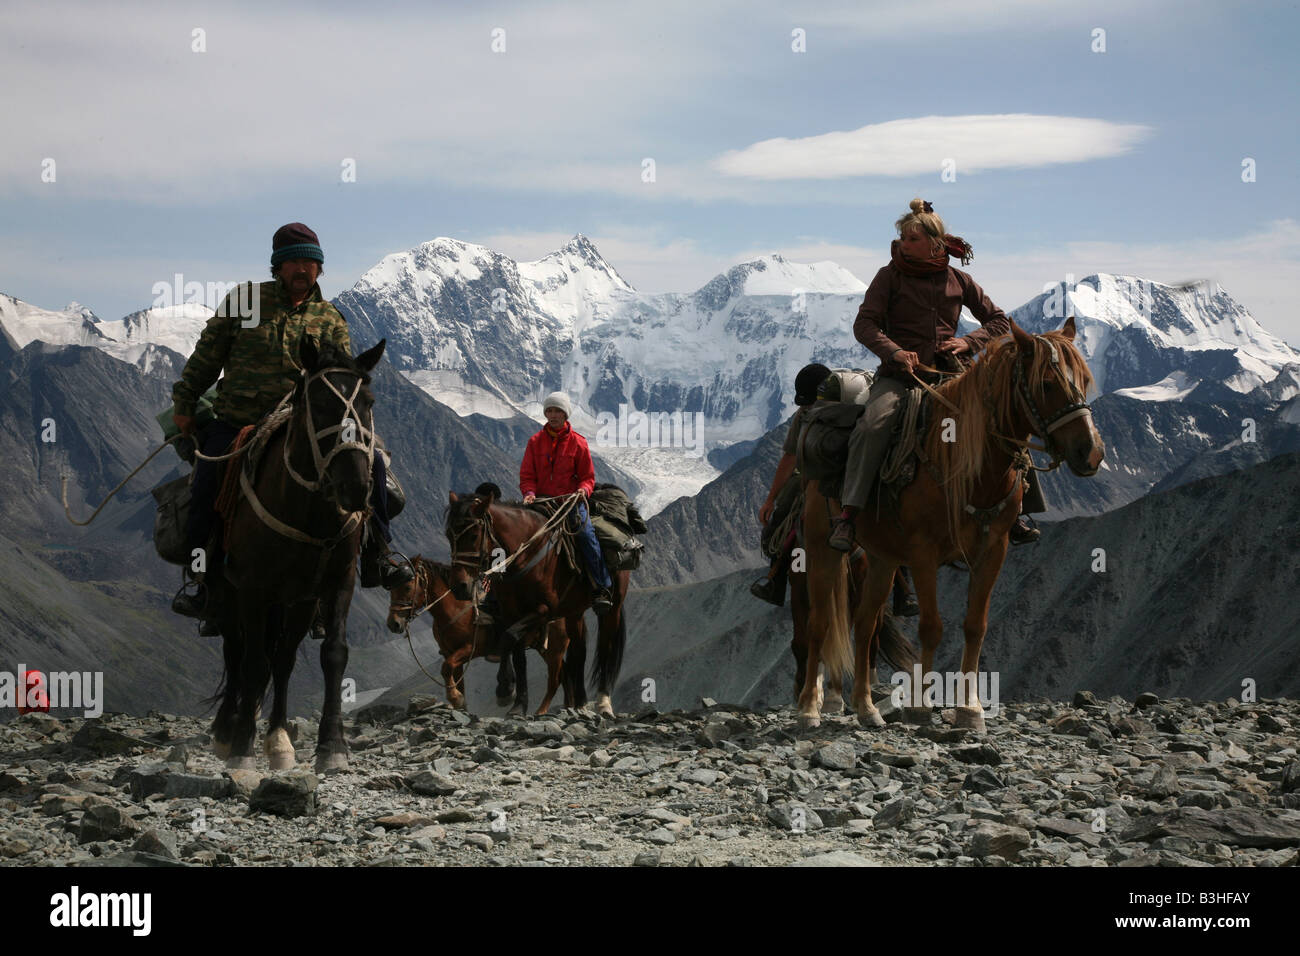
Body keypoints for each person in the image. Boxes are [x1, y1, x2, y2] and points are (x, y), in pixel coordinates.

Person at [170, 222, 413, 634]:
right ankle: (203, 581)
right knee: (205, 487)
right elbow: (206, 357)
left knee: (369, 463)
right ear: (278, 267)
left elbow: (339, 376)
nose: (302, 269)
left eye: (310, 262)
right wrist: (185, 402)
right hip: (239, 418)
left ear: (320, 269)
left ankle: (379, 554)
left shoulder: (330, 317)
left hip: (303, 424)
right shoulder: (245, 301)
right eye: (293, 261)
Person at [828, 199, 1043, 552]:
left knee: (1008, 416)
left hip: (954, 373)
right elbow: (864, 324)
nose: (903, 244)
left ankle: (1018, 509)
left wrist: (968, 342)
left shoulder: (959, 279)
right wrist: (894, 352)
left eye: (911, 238)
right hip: (900, 377)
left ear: (935, 243)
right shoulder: (888, 277)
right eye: (902, 238)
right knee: (872, 425)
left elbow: (999, 321)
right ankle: (850, 515)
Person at [519, 392, 613, 615]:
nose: (552, 415)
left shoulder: (578, 443)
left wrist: (583, 490)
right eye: (549, 411)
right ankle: (497, 593)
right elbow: (527, 475)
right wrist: (529, 492)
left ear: (565, 414)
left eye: (557, 411)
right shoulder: (534, 442)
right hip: (541, 503)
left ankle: (602, 587)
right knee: (512, 536)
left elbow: (588, 477)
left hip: (570, 503)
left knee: (587, 536)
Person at [752, 362, 831, 605]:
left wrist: (772, 501)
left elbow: (790, 458)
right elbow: (790, 455)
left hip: (828, 471)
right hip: (828, 471)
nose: (806, 408)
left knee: (784, 513)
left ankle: (774, 581)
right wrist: (771, 498)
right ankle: (902, 588)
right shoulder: (805, 414)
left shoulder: (850, 409)